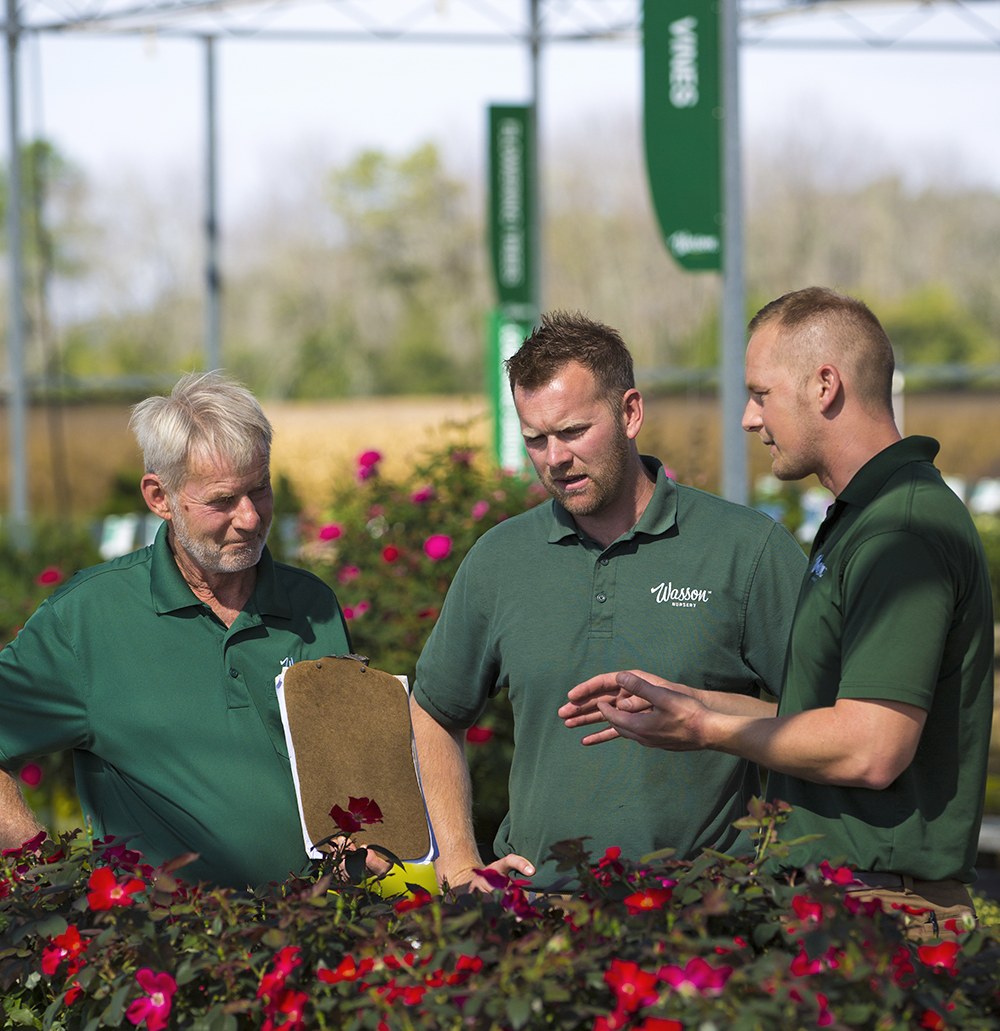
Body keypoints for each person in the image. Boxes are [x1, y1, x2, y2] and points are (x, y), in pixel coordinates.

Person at [562, 288, 993, 931]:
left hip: (884, 916)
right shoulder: (866, 519)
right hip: (852, 906)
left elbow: (871, 748)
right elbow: (824, 721)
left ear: (825, 386)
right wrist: (689, 701)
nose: (747, 418)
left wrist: (705, 730)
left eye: (760, 393)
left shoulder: (899, 531)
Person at [411, 311, 807, 893]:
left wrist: (704, 716)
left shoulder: (744, 549)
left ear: (630, 413)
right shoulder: (500, 558)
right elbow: (432, 711)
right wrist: (458, 864)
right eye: (535, 439)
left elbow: (832, 724)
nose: (554, 458)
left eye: (573, 432)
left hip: (706, 923)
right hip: (541, 920)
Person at [0, 371, 354, 889]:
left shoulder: (312, 604)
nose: (251, 518)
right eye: (223, 500)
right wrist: (43, 877)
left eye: (260, 489)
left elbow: (348, 769)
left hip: (314, 937)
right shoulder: (89, 619)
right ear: (159, 497)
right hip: (168, 958)